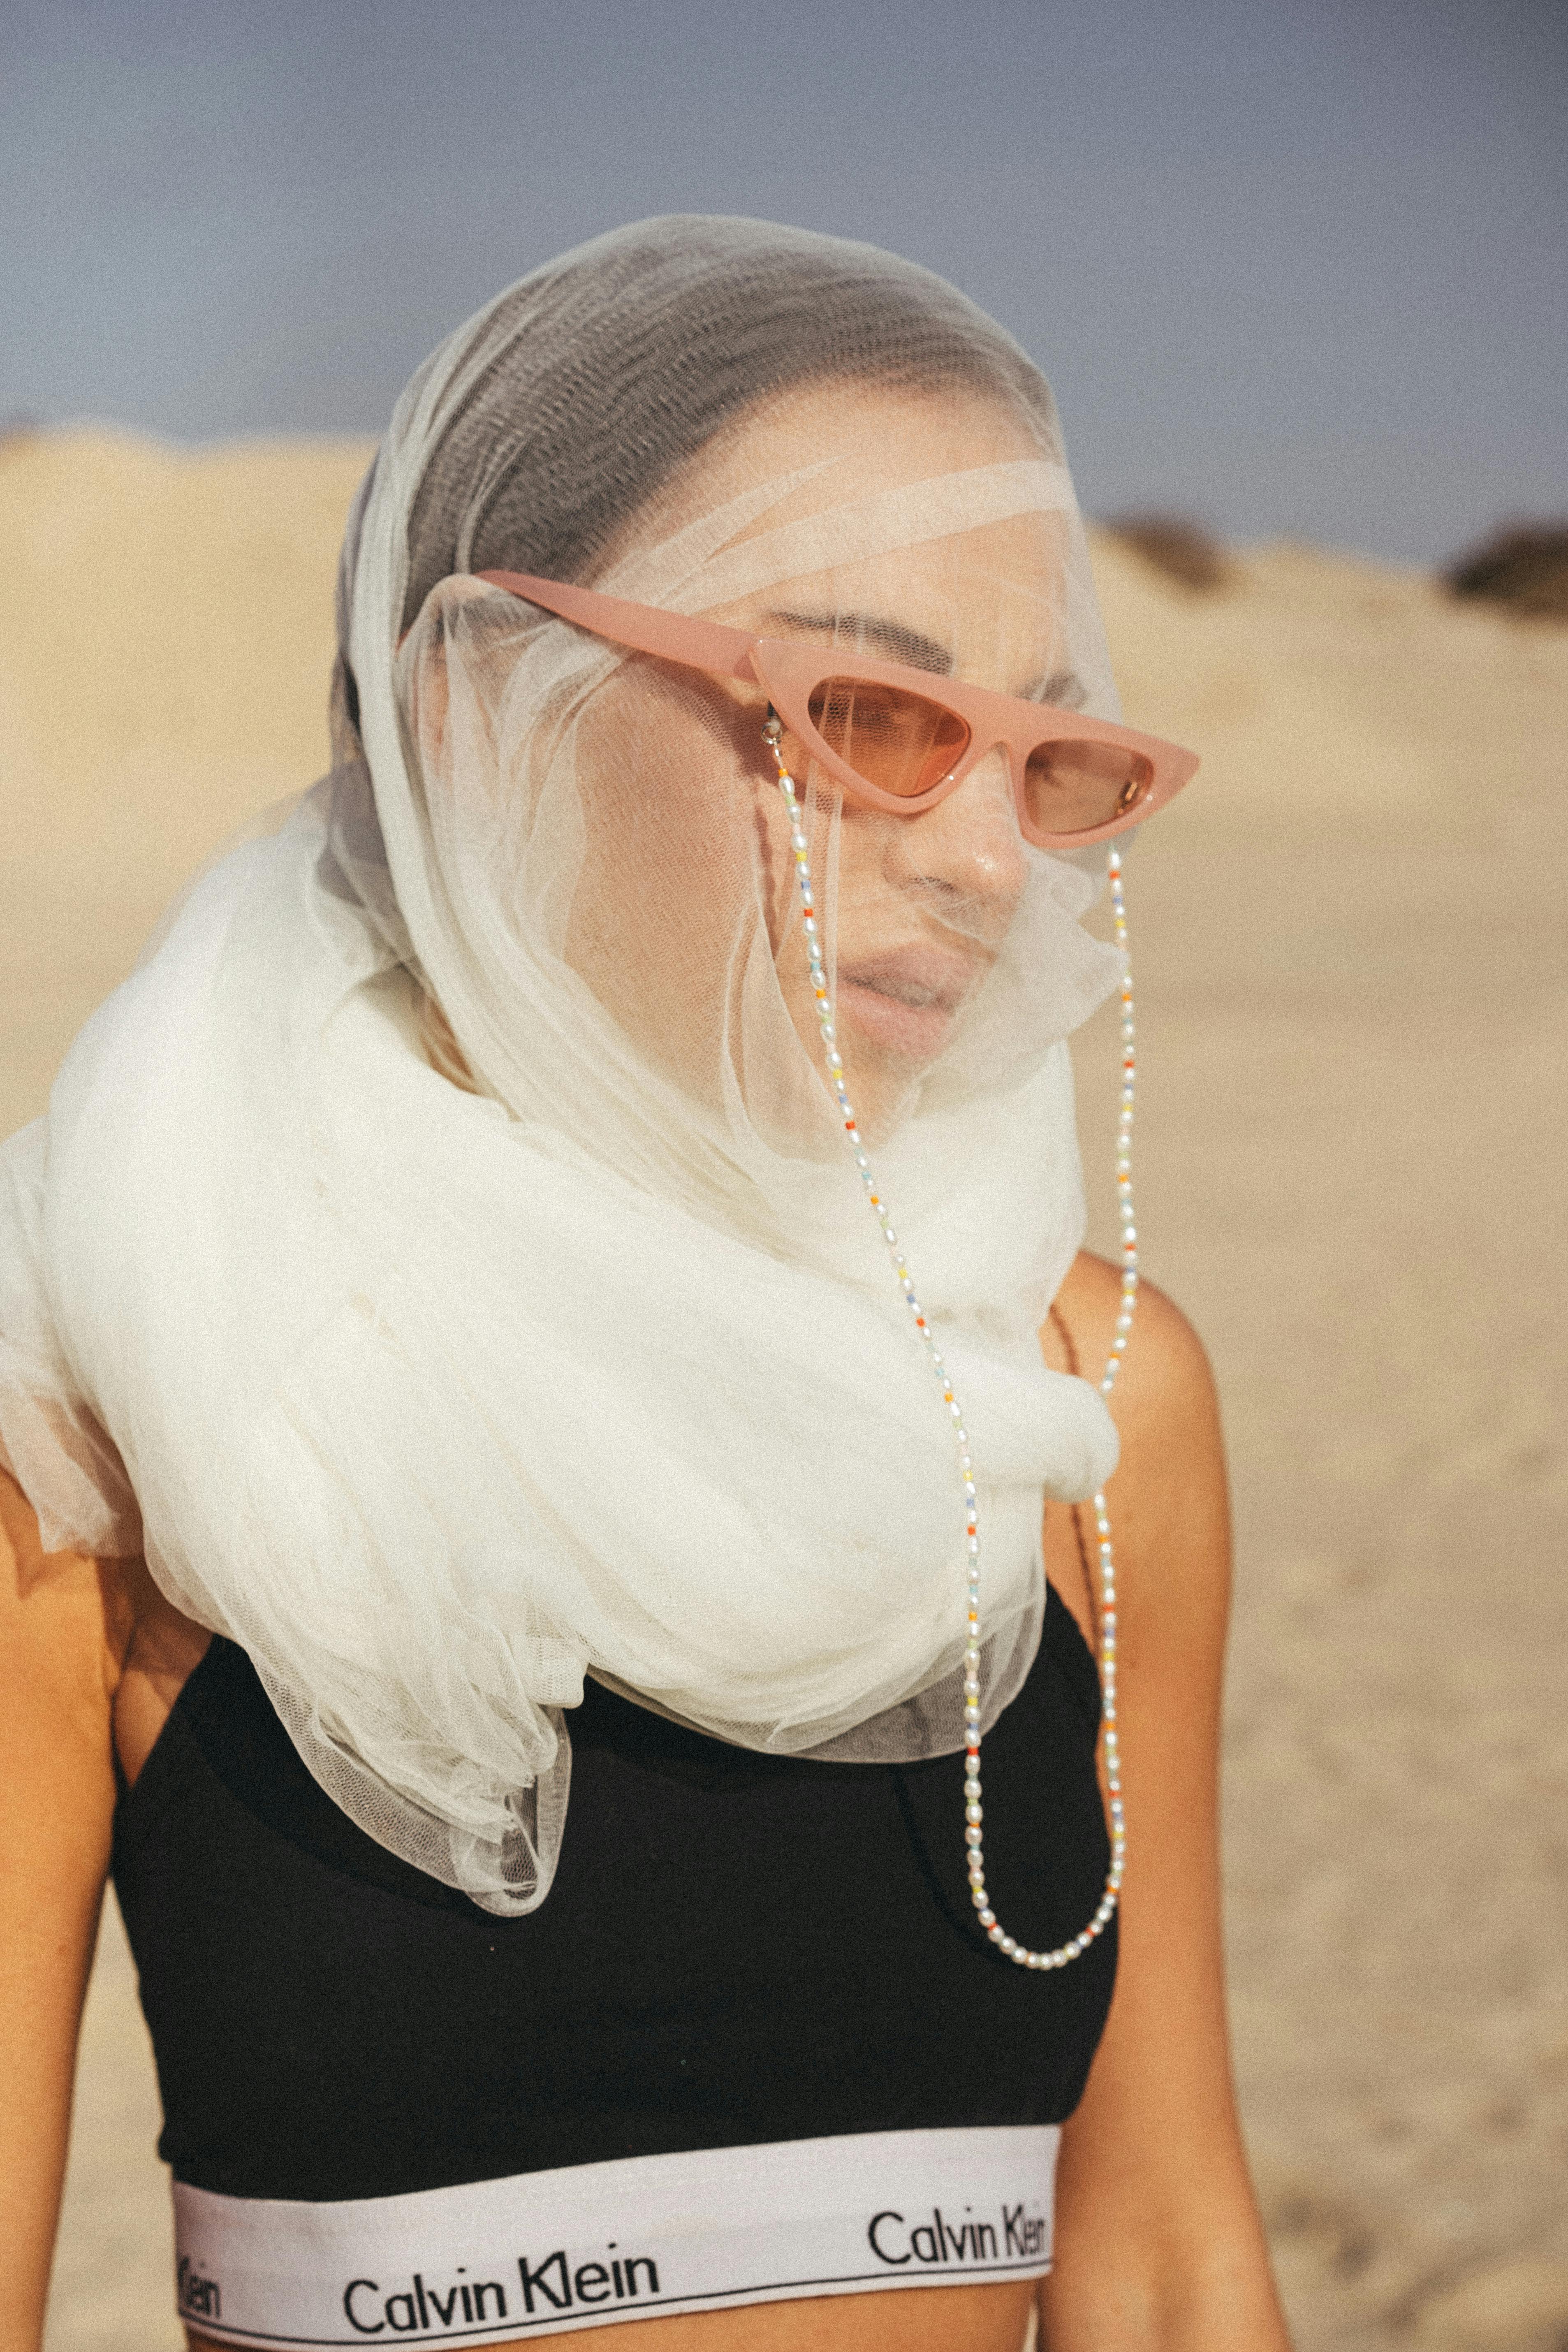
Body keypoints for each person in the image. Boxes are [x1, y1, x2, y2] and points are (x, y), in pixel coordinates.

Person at [0, 218, 1291, 2350]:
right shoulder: (109, 1411)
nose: (986, 856)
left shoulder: (1078, 1397)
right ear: (481, 700)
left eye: (1043, 759)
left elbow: (1161, 2262)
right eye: (864, 711)